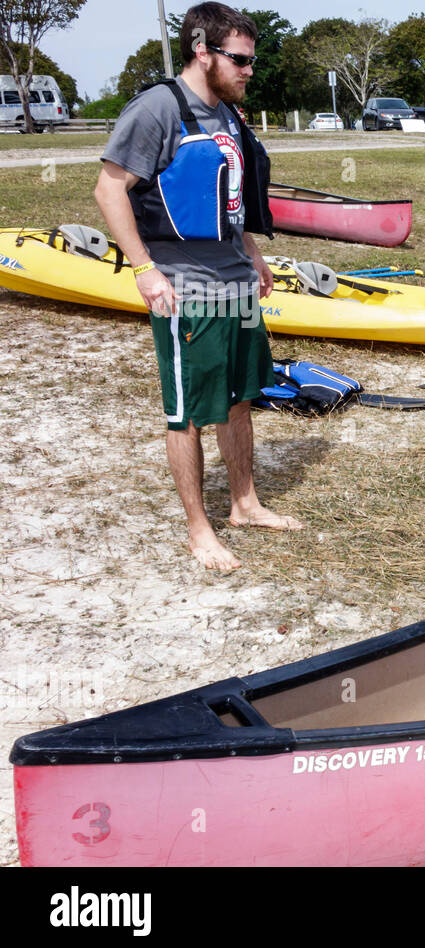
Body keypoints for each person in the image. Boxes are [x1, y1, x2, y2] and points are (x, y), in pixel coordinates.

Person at [94, 2, 298, 571]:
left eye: (252, 61)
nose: (249, 71)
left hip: (234, 281)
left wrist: (253, 254)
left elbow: (228, 203)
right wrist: (143, 269)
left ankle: (244, 504)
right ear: (201, 50)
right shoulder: (159, 108)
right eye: (240, 60)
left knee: (238, 400)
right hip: (184, 287)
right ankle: (197, 529)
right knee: (185, 412)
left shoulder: (228, 115)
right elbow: (110, 190)